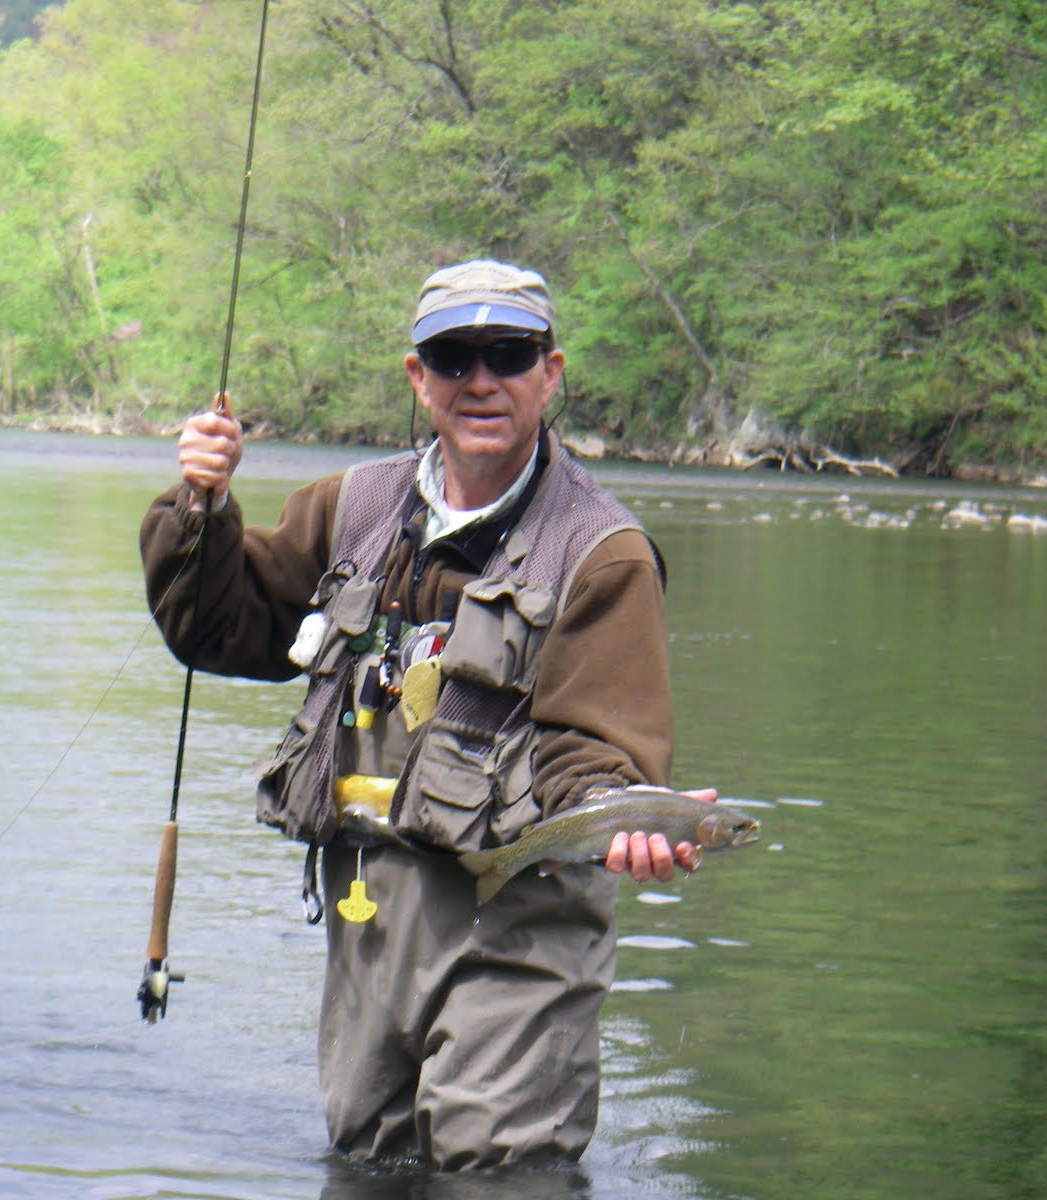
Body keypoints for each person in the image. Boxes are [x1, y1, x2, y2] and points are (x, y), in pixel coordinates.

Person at [139, 259, 710, 1171]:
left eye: (508, 354)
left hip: (520, 930)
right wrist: (199, 507)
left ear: (550, 373)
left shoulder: (603, 555)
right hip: (365, 916)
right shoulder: (351, 507)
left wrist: (624, 817)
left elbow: (596, 750)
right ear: (418, 377)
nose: (480, 380)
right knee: (369, 1164)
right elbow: (216, 628)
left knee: (495, 1172)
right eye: (453, 356)